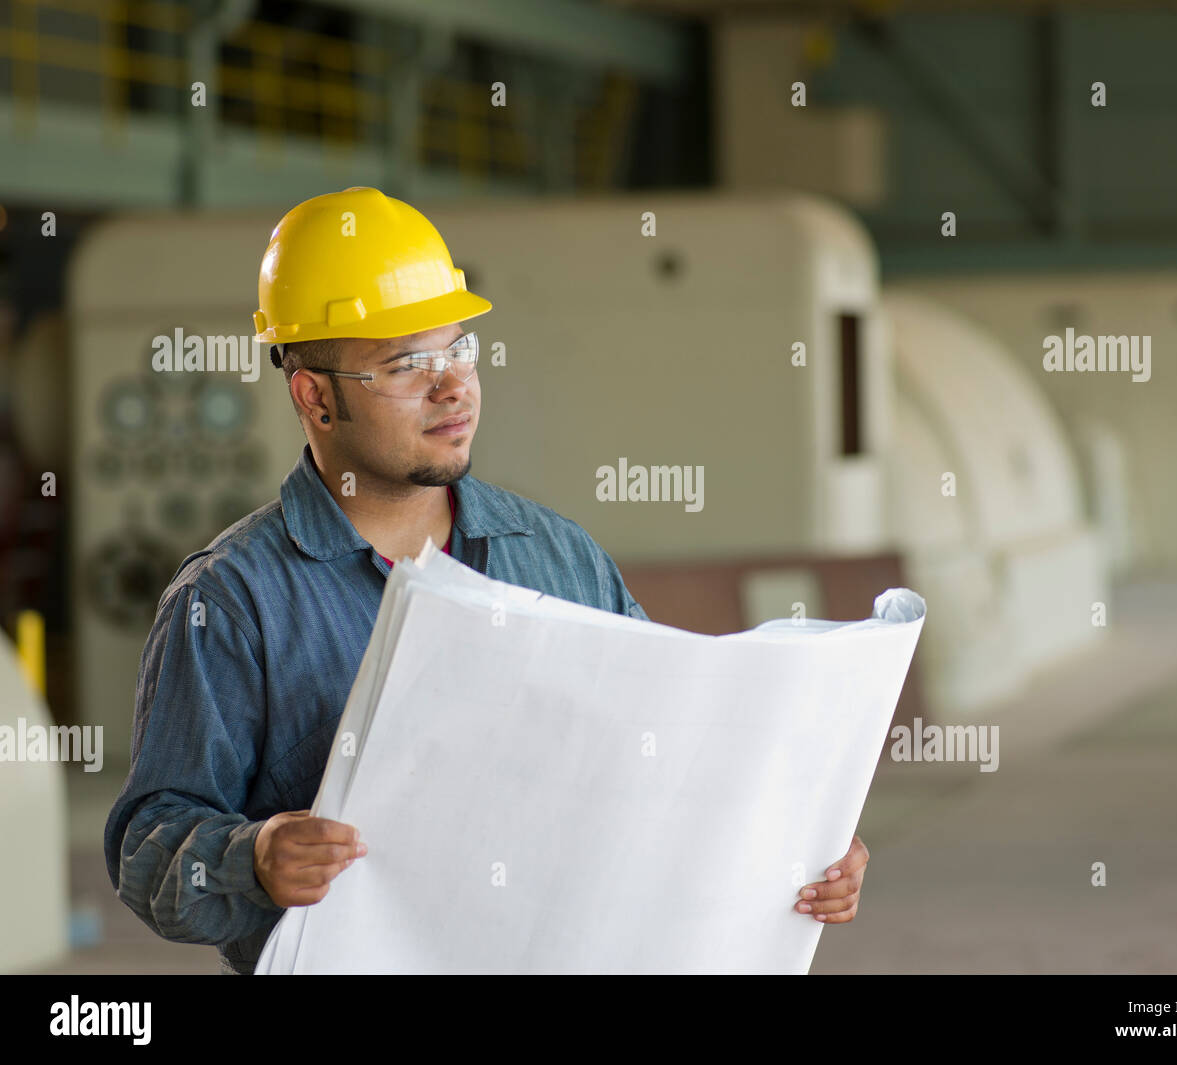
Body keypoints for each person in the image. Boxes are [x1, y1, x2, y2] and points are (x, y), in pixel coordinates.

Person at [104, 187, 868, 975]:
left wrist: (799, 839)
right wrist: (252, 855)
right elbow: (146, 847)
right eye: (406, 365)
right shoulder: (232, 602)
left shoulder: (558, 556)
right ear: (315, 395)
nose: (454, 387)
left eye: (459, 349)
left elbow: (673, 753)